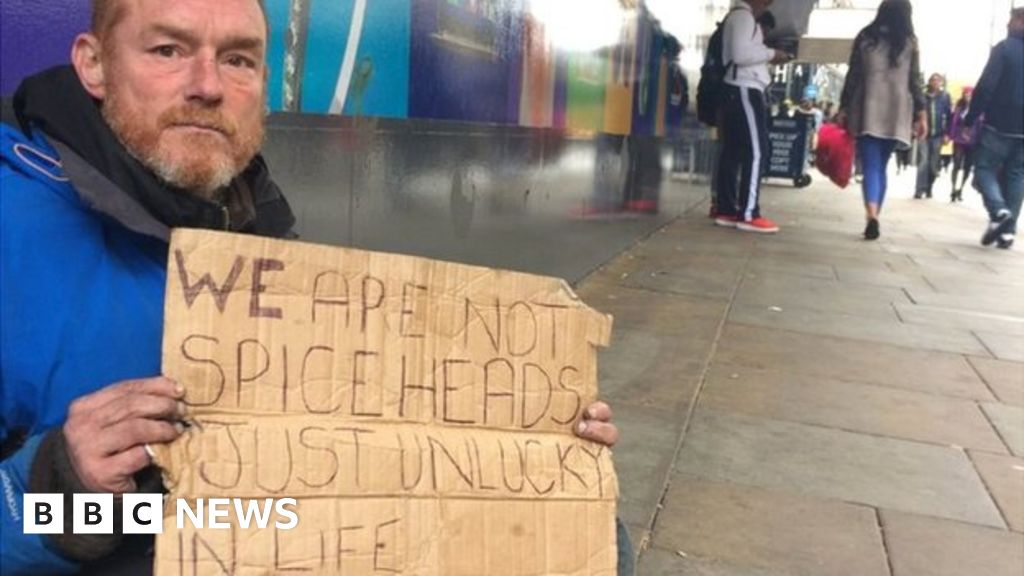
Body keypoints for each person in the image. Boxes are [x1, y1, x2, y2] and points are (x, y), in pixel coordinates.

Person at [0, 1, 623, 573]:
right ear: (94, 64)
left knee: (597, 535)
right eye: (168, 50)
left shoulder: (259, 225)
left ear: (263, 86)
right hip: (136, 546)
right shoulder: (14, 227)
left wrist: (537, 443)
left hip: (269, 530)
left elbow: (285, 498)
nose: (208, 87)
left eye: (238, 59)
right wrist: (59, 486)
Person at [837, 0, 927, 240]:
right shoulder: (910, 42)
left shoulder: (866, 37)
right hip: (897, 109)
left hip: (867, 105)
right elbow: (915, 80)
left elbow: (853, 74)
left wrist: (844, 106)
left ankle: (872, 215)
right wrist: (921, 113)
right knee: (881, 165)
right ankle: (875, 214)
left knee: (871, 165)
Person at [714, 0, 791, 234]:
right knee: (756, 151)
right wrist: (772, 53)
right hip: (745, 87)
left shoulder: (738, 16)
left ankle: (727, 207)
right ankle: (748, 212)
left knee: (734, 150)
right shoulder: (744, 18)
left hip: (737, 88)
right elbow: (740, 54)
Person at [964, 6, 1024, 250]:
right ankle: (1007, 233)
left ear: (1020, 21)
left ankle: (998, 211)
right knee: (1016, 175)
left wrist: (971, 119)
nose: (1007, 25)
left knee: (984, 168)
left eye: (1011, 20)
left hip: (1000, 123)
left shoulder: (1004, 48)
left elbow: (987, 85)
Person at [914, 73, 952, 199]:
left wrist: (947, 134)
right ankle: (919, 190)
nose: (935, 83)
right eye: (933, 80)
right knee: (923, 161)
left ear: (941, 83)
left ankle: (929, 187)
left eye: (938, 81)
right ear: (929, 82)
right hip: (924, 135)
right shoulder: (923, 96)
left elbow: (949, 117)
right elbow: (916, 113)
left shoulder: (945, 97)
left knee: (933, 165)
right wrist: (914, 127)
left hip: (938, 135)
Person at [947, 86, 981, 202]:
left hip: (972, 141)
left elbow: (980, 126)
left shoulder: (978, 109)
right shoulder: (959, 108)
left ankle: (960, 188)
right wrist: (950, 135)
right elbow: (952, 122)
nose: (968, 97)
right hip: (959, 139)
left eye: (970, 95)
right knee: (956, 164)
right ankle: (953, 188)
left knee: (967, 166)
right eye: (966, 94)